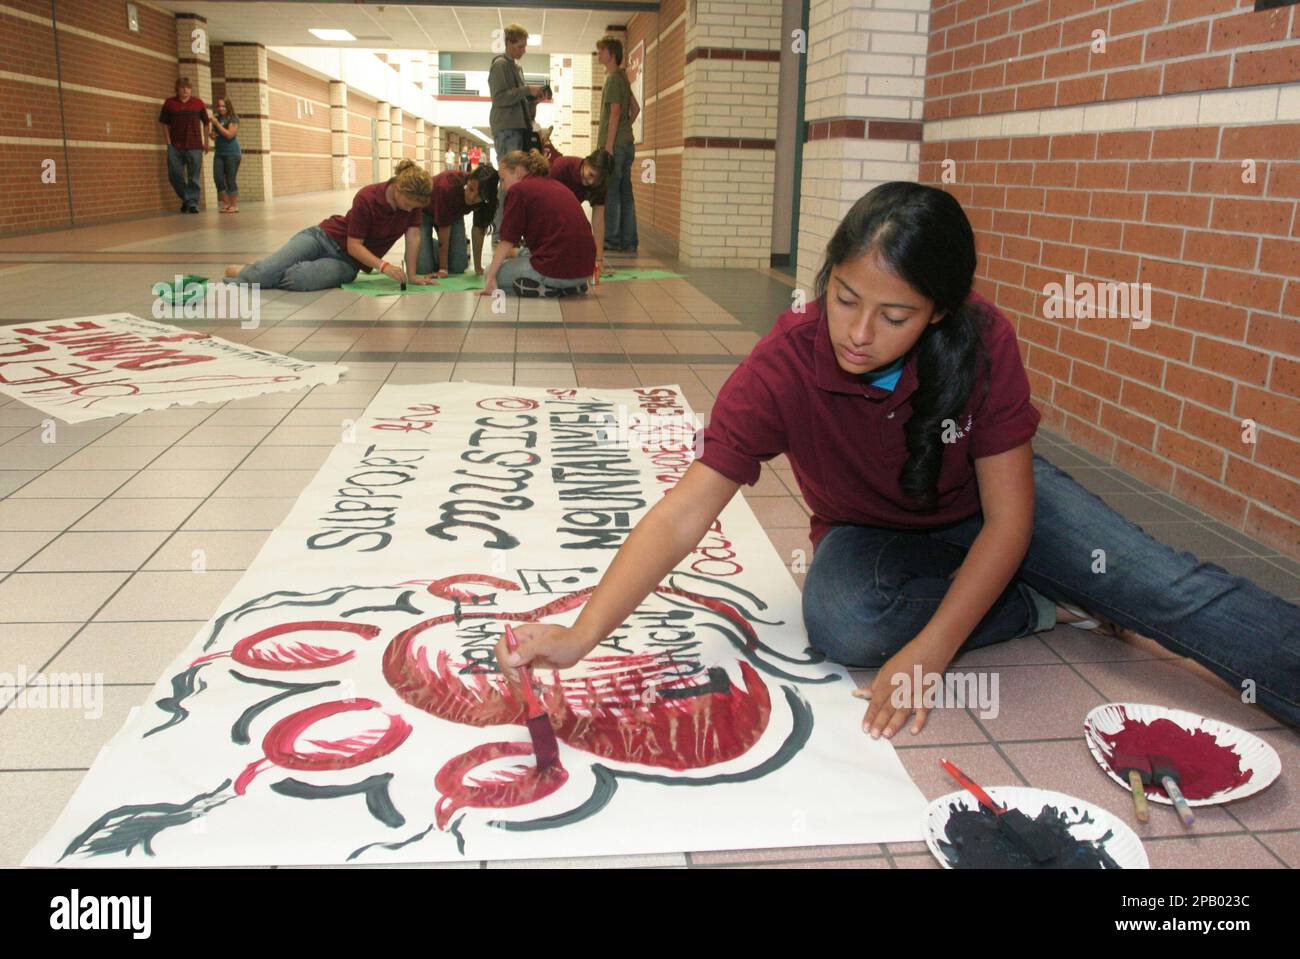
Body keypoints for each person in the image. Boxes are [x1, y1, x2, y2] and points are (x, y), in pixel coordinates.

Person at [495, 181, 1300, 733]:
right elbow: (683, 514)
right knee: (842, 620)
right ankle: (1038, 605)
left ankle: (1061, 589)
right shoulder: (785, 364)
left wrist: (931, 650)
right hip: (872, 531)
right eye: (845, 297)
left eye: (894, 315)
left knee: (1164, 588)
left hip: (991, 510)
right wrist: (583, 632)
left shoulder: (982, 339)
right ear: (825, 278)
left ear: (939, 312)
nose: (857, 331)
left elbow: (1010, 517)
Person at [225, 159, 433, 292]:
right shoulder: (368, 196)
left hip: (348, 263)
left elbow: (413, 237)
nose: (409, 210)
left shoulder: (413, 204)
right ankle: (258, 271)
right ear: (397, 188)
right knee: (264, 274)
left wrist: (412, 275)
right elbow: (354, 245)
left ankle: (263, 271)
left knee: (302, 279)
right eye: (407, 204)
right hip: (322, 238)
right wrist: (384, 266)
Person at [479, 150, 593, 298]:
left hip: (556, 270)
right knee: (524, 254)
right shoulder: (555, 184)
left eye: (503, 179)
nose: (502, 187)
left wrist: (490, 278)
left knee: (490, 271)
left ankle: (545, 288)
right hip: (584, 272)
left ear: (518, 172)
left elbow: (507, 241)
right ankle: (569, 287)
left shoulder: (518, 190)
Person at [488, 23, 545, 238]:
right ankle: (502, 231)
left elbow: (518, 100)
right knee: (508, 181)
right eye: (520, 46)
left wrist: (534, 100)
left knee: (517, 181)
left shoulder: (515, 67)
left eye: (524, 46)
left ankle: (509, 229)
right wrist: (526, 90)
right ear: (509, 43)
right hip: (506, 129)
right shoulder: (501, 65)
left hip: (518, 128)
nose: (524, 50)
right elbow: (500, 97)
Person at [539, 131, 612, 285]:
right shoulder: (561, 167)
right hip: (547, 208)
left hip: (567, 211)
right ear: (586, 162)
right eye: (590, 175)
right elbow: (544, 207)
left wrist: (598, 261)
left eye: (597, 180)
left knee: (582, 230)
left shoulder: (600, 185)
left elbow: (598, 223)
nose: (592, 182)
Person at [595, 36, 638, 253]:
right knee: (626, 193)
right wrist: (625, 129)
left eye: (601, 51)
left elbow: (615, 112)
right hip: (627, 143)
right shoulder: (623, 79)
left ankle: (611, 240)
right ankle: (629, 242)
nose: (598, 55)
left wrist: (609, 146)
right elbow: (636, 109)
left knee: (611, 192)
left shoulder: (613, 79)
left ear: (611, 54)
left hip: (615, 146)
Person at [418, 163, 499, 277]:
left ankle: (428, 248)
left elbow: (478, 230)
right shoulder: (447, 186)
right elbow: (444, 229)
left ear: (486, 197)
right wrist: (443, 269)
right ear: (468, 180)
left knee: (458, 267)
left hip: (453, 214)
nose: (471, 197)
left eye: (478, 196)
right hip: (423, 211)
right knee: (423, 268)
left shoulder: (486, 201)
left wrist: (478, 267)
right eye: (470, 189)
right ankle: (423, 244)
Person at [158, 77, 209, 214]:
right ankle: (187, 199)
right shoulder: (170, 103)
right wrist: (168, 143)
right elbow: (164, 124)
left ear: (191, 89)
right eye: (182, 87)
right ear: (177, 89)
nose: (185, 90)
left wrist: (206, 141)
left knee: (194, 176)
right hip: (175, 146)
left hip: (195, 146)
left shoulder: (198, 103)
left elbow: (206, 122)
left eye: (188, 87)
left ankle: (192, 203)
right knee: (174, 175)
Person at [209, 96, 241, 213]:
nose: (221, 108)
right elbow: (214, 134)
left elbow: (229, 135)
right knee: (218, 178)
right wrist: (212, 135)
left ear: (228, 107)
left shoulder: (233, 119)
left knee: (230, 179)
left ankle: (233, 205)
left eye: (223, 106)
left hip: (232, 153)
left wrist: (216, 124)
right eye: (219, 106)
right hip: (219, 152)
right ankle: (226, 203)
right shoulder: (217, 118)